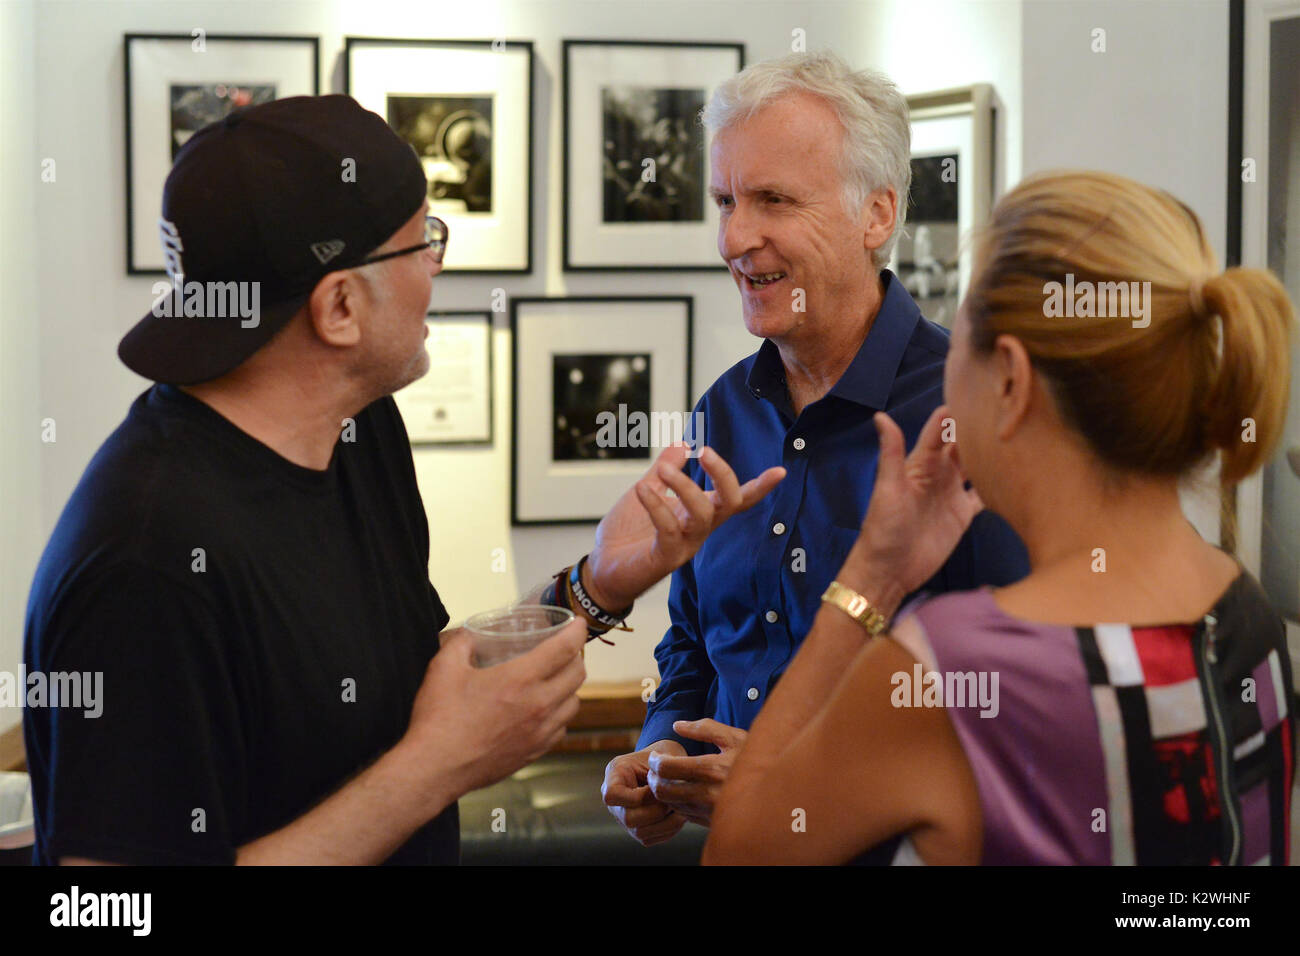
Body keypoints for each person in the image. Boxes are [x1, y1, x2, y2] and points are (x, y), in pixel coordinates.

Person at [22, 94, 782, 866]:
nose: (437, 264)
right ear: (341, 306)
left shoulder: (358, 431)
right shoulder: (144, 560)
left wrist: (601, 583)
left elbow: (404, 689)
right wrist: (439, 767)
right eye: (423, 240)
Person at [704, 169, 1297, 865]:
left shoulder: (951, 667)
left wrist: (872, 575)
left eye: (962, 343)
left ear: (1009, 380)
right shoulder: (1243, 607)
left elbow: (738, 851)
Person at [601, 51, 1029, 853]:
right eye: (725, 200)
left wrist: (804, 785)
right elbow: (693, 639)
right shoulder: (721, 412)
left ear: (877, 215)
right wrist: (661, 744)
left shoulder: (972, 415)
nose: (734, 237)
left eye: (773, 201)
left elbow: (1017, 699)